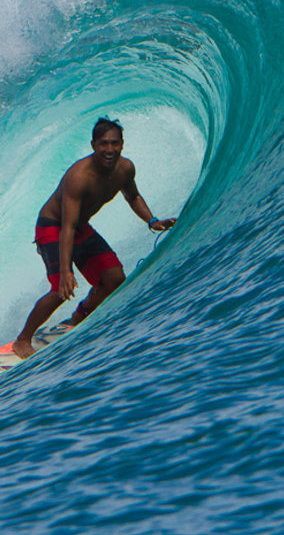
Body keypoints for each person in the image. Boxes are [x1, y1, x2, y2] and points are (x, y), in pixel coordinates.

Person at [12, 117, 176, 358]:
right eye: (103, 144)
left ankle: (79, 316)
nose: (109, 150)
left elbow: (133, 197)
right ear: (93, 145)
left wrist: (152, 220)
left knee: (114, 278)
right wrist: (67, 271)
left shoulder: (125, 169)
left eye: (114, 143)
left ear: (122, 144)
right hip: (54, 227)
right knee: (60, 289)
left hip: (79, 226)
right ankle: (23, 339)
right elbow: (67, 227)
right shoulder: (79, 176)